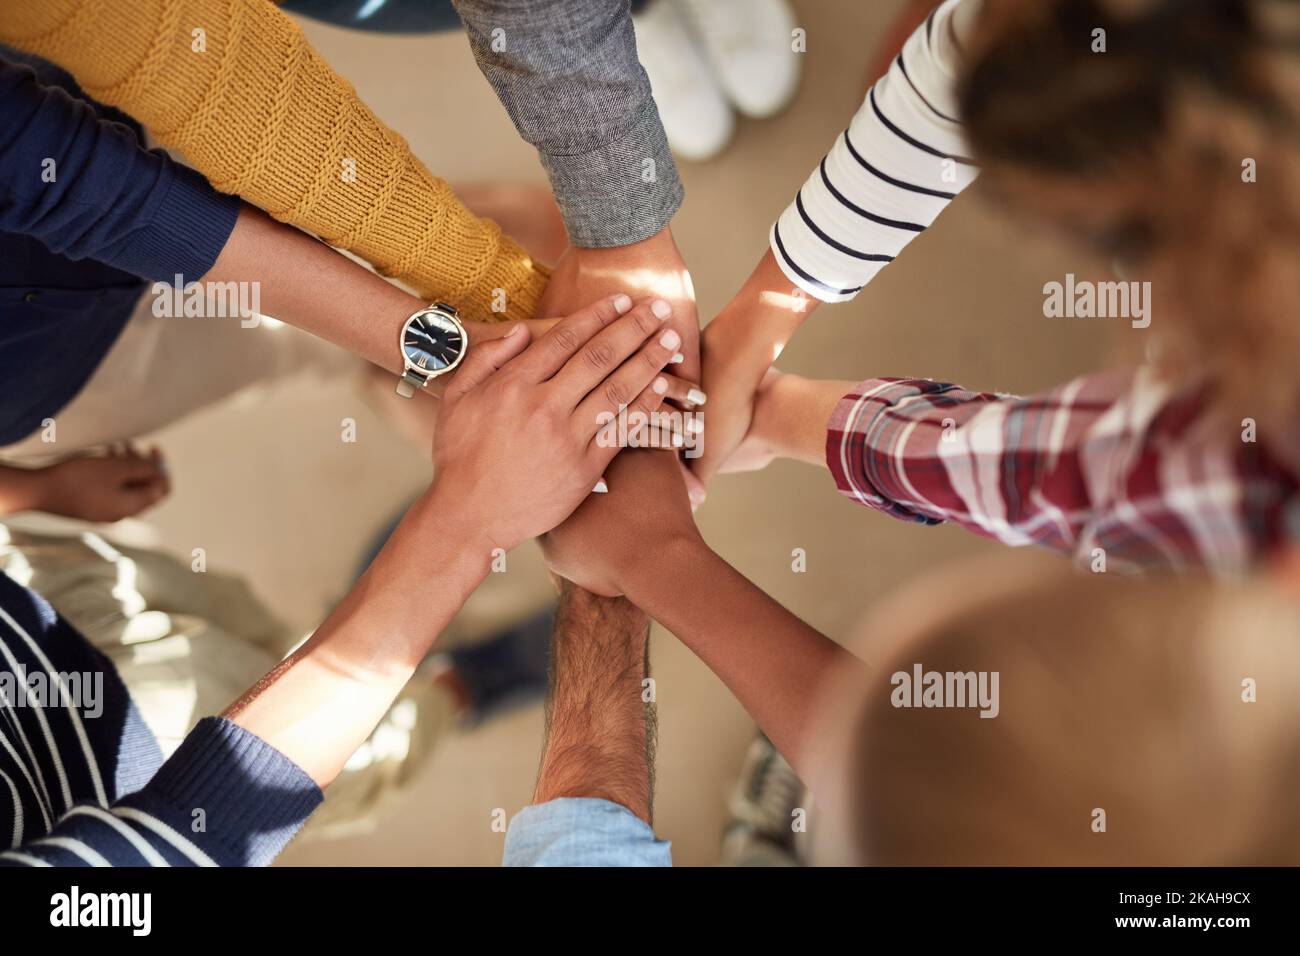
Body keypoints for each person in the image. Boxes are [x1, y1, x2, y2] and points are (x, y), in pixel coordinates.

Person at [0, 291, 683, 866]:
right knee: (364, 752)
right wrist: (464, 521)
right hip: (140, 769)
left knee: (233, 616)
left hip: (35, 585)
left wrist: (34, 489)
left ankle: (355, 629)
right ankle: (456, 682)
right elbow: (202, 822)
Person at [692, 0, 1300, 574]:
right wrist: (750, 333)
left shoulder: (1255, 476)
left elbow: (1068, 480)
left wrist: (779, 413)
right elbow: (982, 54)